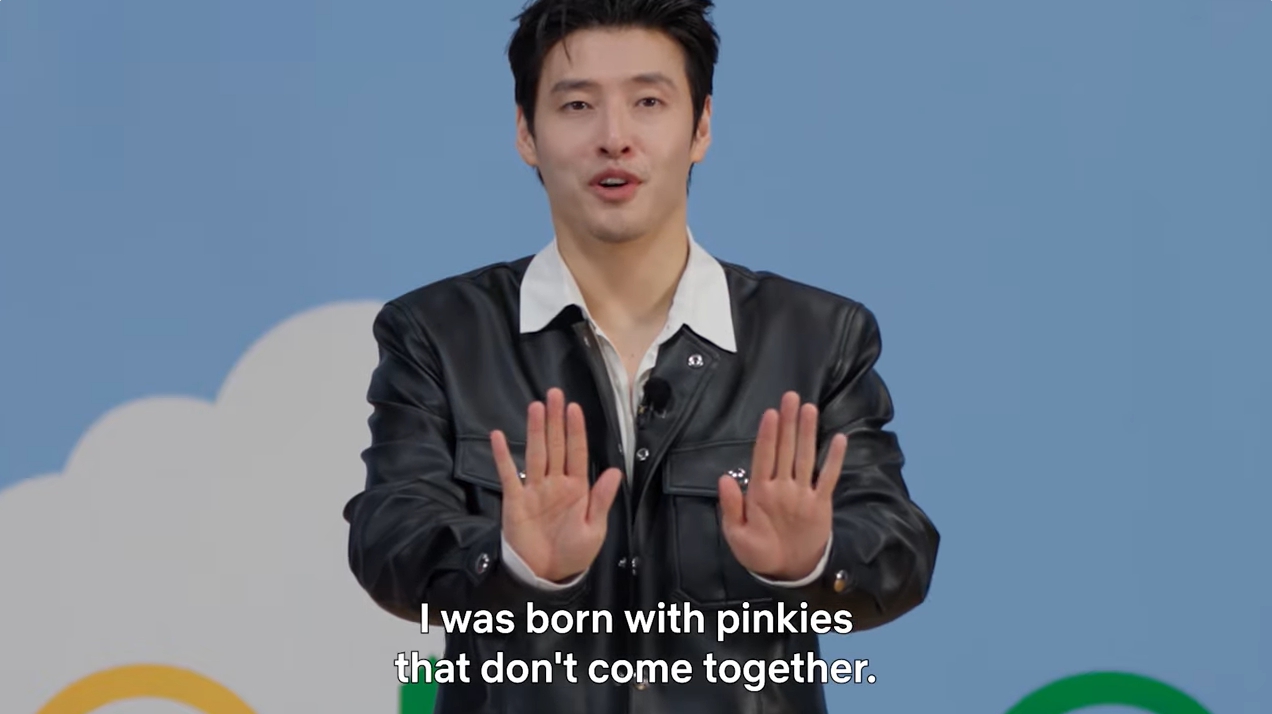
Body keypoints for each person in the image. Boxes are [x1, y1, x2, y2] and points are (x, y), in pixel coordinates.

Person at [342, 1, 939, 711]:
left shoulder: (817, 338)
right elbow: (388, 539)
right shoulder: (437, 334)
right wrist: (511, 561)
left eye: (648, 102)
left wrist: (813, 560)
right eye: (577, 105)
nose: (614, 138)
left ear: (702, 126)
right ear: (526, 132)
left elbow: (900, 552)